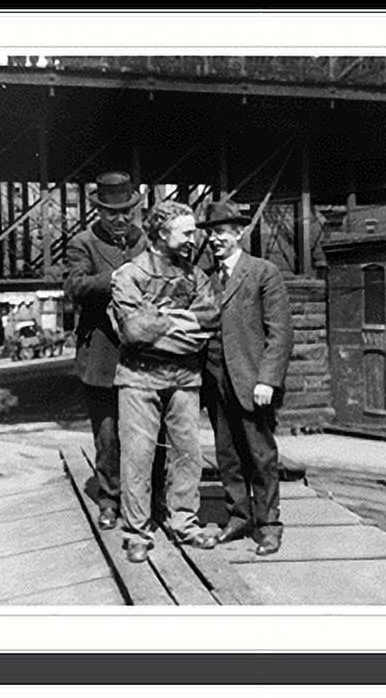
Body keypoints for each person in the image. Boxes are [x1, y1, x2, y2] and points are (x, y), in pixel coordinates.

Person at [108, 201, 221, 562]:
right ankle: (137, 532)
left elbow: (208, 323)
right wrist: (179, 323)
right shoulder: (129, 274)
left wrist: (162, 319)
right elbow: (133, 331)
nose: (194, 238)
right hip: (138, 379)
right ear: (160, 232)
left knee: (188, 454)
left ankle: (184, 523)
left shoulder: (196, 276)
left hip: (186, 377)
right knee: (138, 458)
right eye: (186, 232)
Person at [198, 201, 294, 556]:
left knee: (260, 455)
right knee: (227, 454)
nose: (214, 239)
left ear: (237, 233)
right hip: (215, 380)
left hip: (253, 383)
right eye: (209, 232)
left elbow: (280, 332)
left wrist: (267, 380)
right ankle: (239, 517)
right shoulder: (207, 277)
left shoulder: (263, 272)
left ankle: (268, 525)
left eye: (221, 232)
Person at [64, 171, 148, 530]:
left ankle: (143, 499)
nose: (121, 219)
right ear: (99, 211)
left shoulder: (142, 240)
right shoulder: (82, 243)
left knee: (144, 432)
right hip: (101, 356)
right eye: (113, 213)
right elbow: (75, 285)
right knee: (108, 434)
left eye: (127, 211)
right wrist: (116, 279)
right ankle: (110, 500)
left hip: (141, 354)